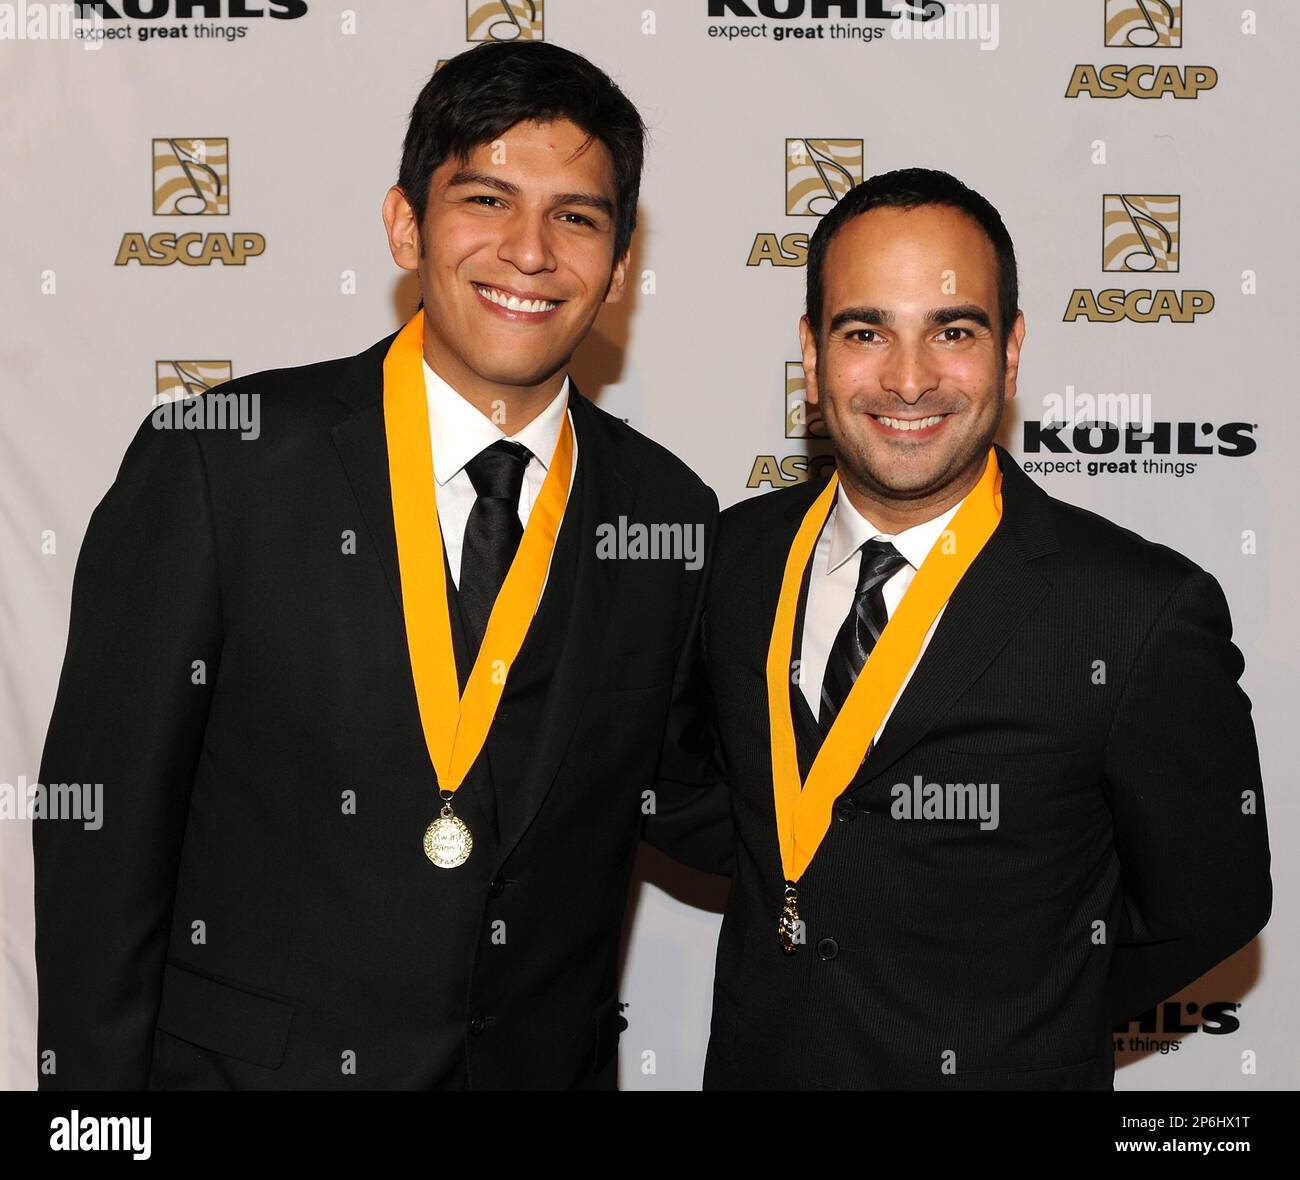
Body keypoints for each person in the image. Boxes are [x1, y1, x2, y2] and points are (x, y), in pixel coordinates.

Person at [33, 40, 729, 1091]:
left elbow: (701, 795)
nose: (530, 251)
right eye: (485, 199)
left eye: (576, 216)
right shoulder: (226, 460)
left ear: (621, 263)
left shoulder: (666, 513)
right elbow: (102, 841)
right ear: (406, 224)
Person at [701, 167, 1271, 1090]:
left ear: (1010, 353)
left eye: (953, 330)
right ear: (812, 352)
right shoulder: (733, 557)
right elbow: (708, 796)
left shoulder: (1139, 611)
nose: (909, 377)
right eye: (865, 330)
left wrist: (1022, 1011)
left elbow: (1210, 904)